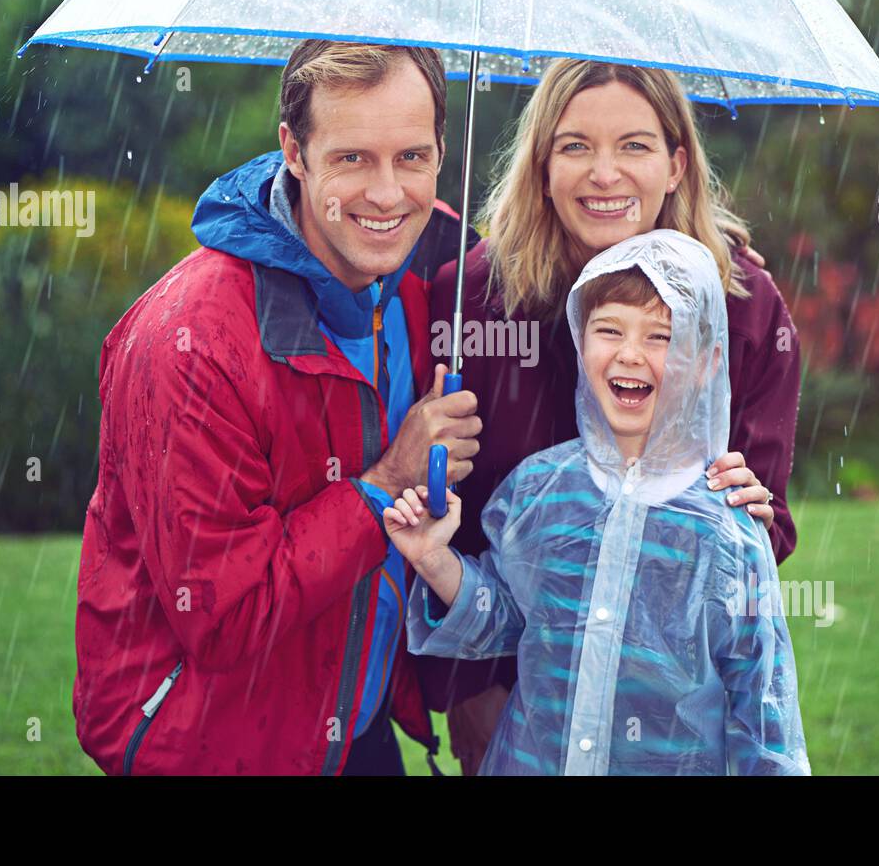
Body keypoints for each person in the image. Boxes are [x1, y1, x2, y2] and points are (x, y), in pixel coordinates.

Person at [73, 40, 482, 775]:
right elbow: (223, 613)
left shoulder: (430, 274)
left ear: (441, 151)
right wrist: (388, 478)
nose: (388, 195)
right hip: (215, 745)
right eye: (352, 158)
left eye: (412, 157)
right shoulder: (189, 343)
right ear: (293, 151)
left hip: (355, 730)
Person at [420, 59, 803, 774]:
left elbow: (754, 530)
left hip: (666, 715)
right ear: (540, 166)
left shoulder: (741, 309)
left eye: (634, 145)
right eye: (574, 146)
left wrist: (756, 514)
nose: (605, 173)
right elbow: (464, 522)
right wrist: (471, 689)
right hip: (517, 699)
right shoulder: (472, 301)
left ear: (676, 163)